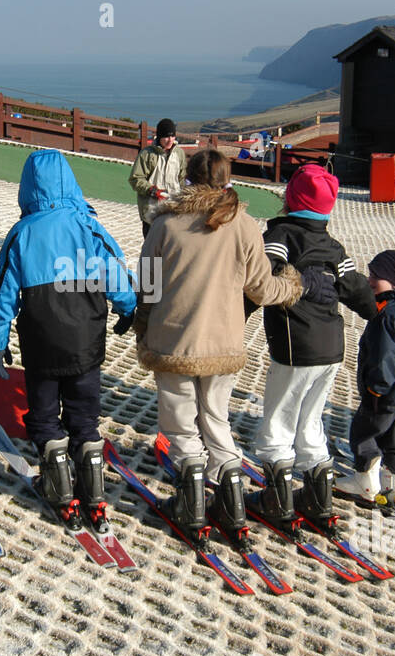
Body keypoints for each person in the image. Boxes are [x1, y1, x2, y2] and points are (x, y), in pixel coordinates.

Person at [134, 149, 332, 540]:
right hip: (224, 342)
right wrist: (294, 284)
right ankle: (232, 499)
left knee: (180, 422)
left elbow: (148, 286)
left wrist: (143, 322)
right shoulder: (242, 224)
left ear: (186, 179)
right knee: (216, 418)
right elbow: (260, 288)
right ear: (229, 180)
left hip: (173, 340)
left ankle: (190, 504)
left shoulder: (164, 224)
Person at [0, 149, 136, 526]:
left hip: (40, 345)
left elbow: (3, 292)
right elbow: (116, 272)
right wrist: (128, 309)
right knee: (84, 419)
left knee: (45, 417)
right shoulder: (88, 226)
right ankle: (95, 494)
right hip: (86, 342)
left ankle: (59, 487)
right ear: (69, 181)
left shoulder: (21, 233)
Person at [249, 164, 377, 526]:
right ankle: (319, 499)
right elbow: (356, 288)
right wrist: (376, 311)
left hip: (295, 346)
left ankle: (276, 499)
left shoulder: (282, 235)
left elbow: (260, 278)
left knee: (278, 419)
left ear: (291, 199)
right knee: (310, 420)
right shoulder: (333, 247)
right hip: (332, 348)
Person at [337, 249, 395, 504]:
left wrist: (377, 388)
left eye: (376, 275)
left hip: (382, 391)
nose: (370, 279)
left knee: (364, 433)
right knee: (392, 435)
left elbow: (385, 355)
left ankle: (364, 482)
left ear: (393, 280)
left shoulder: (387, 314)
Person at [128, 118, 185, 239]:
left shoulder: (179, 154)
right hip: (151, 210)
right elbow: (135, 179)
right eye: (166, 137)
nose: (170, 140)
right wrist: (152, 190)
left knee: (168, 248)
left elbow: (182, 179)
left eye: (173, 136)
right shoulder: (147, 154)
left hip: (173, 209)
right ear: (159, 137)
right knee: (151, 251)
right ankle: (150, 259)